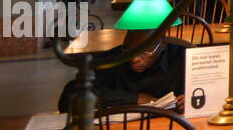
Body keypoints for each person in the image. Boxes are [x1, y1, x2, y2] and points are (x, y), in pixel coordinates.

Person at [58, 30, 186, 112]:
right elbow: (68, 98)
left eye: (145, 52)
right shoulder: (112, 59)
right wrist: (134, 99)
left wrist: (190, 100)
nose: (134, 59)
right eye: (129, 51)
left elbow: (204, 91)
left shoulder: (183, 57)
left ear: (162, 45)